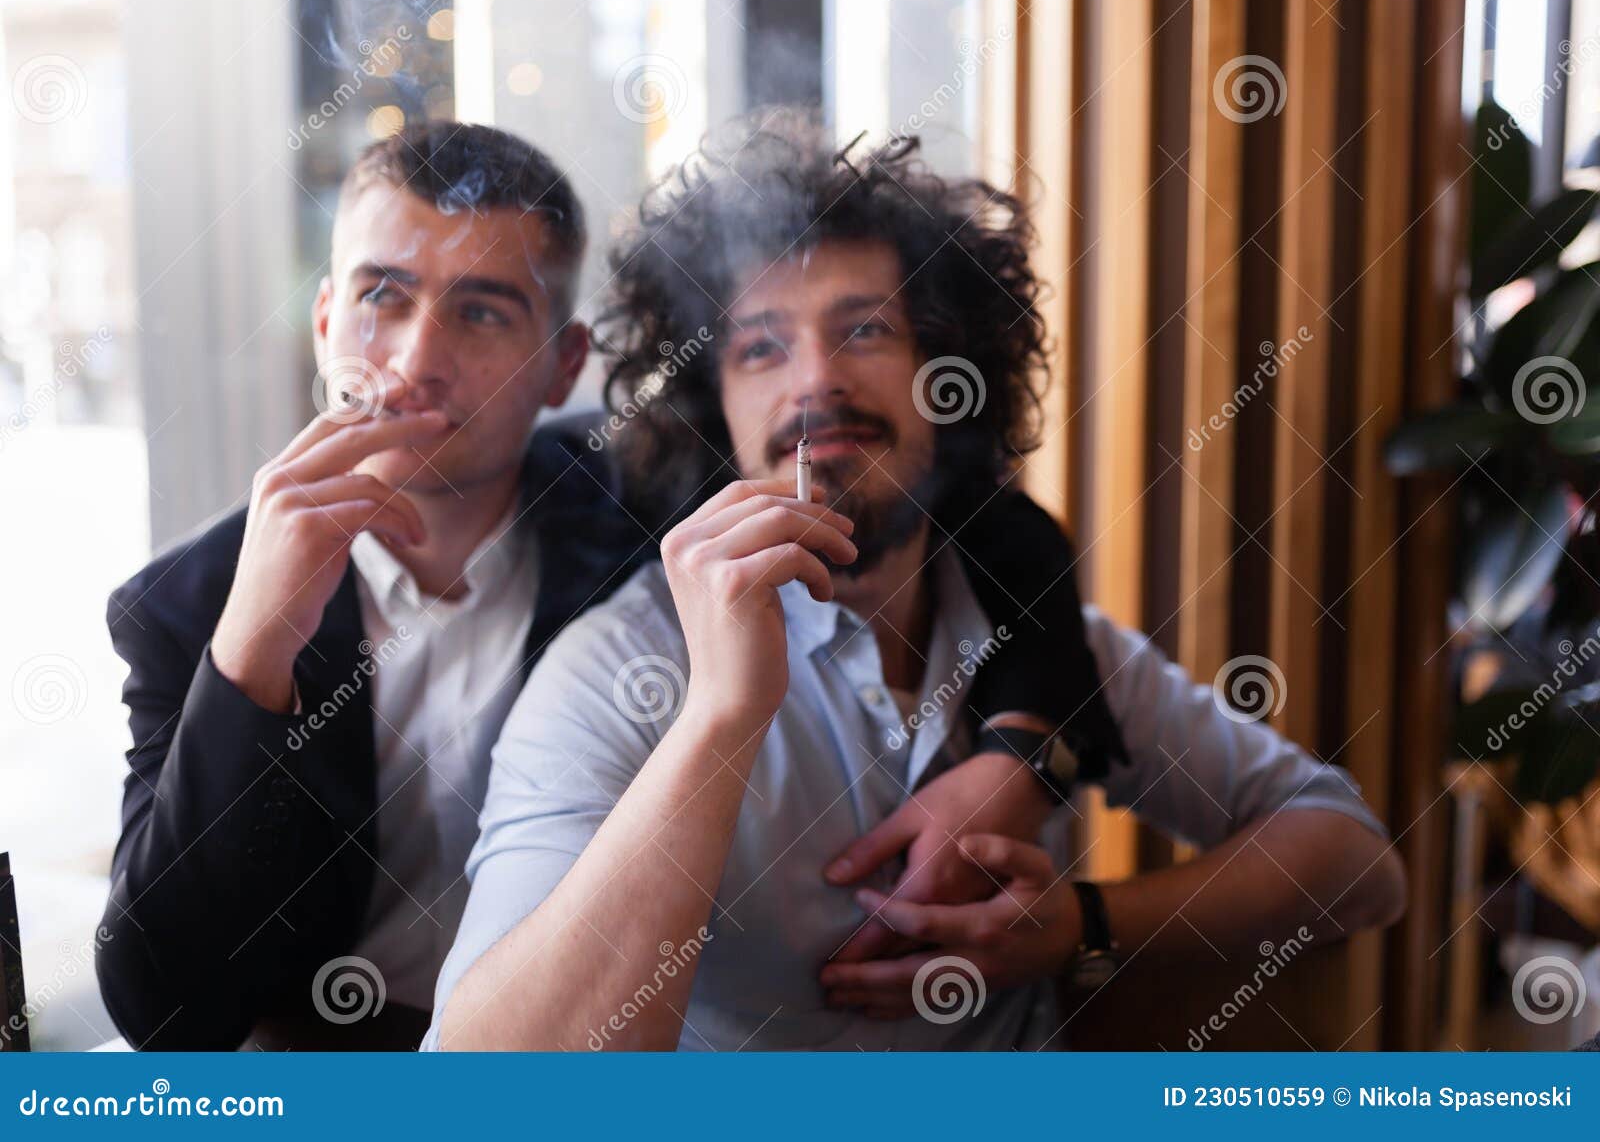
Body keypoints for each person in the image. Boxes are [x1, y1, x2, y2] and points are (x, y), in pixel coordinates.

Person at [97, 120, 1125, 1051]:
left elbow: (961, 511)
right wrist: (254, 651)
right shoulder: (187, 605)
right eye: (381, 295)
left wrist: (1023, 747)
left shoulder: (628, 494)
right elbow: (164, 1008)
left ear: (561, 362)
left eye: (482, 311)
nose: (416, 357)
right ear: (325, 320)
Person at [426, 111, 1408, 1052]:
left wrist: (1085, 921)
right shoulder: (619, 672)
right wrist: (722, 716)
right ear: (712, 410)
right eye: (761, 346)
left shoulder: (1037, 636)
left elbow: (1358, 863)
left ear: (950, 377)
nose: (815, 379)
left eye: (864, 331)